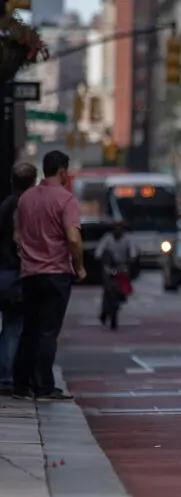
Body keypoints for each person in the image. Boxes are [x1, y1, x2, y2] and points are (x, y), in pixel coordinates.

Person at [12, 151, 84, 401]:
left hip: (30, 274)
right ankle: (43, 387)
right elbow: (73, 238)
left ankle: (21, 384)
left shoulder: (26, 198)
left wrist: (28, 255)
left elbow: (17, 236)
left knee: (29, 329)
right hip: (55, 274)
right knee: (47, 332)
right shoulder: (66, 200)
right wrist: (80, 266)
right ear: (63, 171)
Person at [0, 164, 37, 395]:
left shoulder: (5, 204)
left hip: (5, 271)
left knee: (10, 326)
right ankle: (6, 377)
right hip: (14, 272)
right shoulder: (21, 206)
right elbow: (19, 241)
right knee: (15, 327)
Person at [95, 220, 138, 328]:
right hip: (109, 266)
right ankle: (105, 311)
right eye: (116, 229)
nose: (118, 231)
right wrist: (99, 257)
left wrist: (132, 258)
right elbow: (99, 251)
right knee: (107, 288)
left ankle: (120, 300)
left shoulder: (128, 238)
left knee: (123, 287)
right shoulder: (107, 238)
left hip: (123, 266)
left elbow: (133, 251)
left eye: (120, 229)